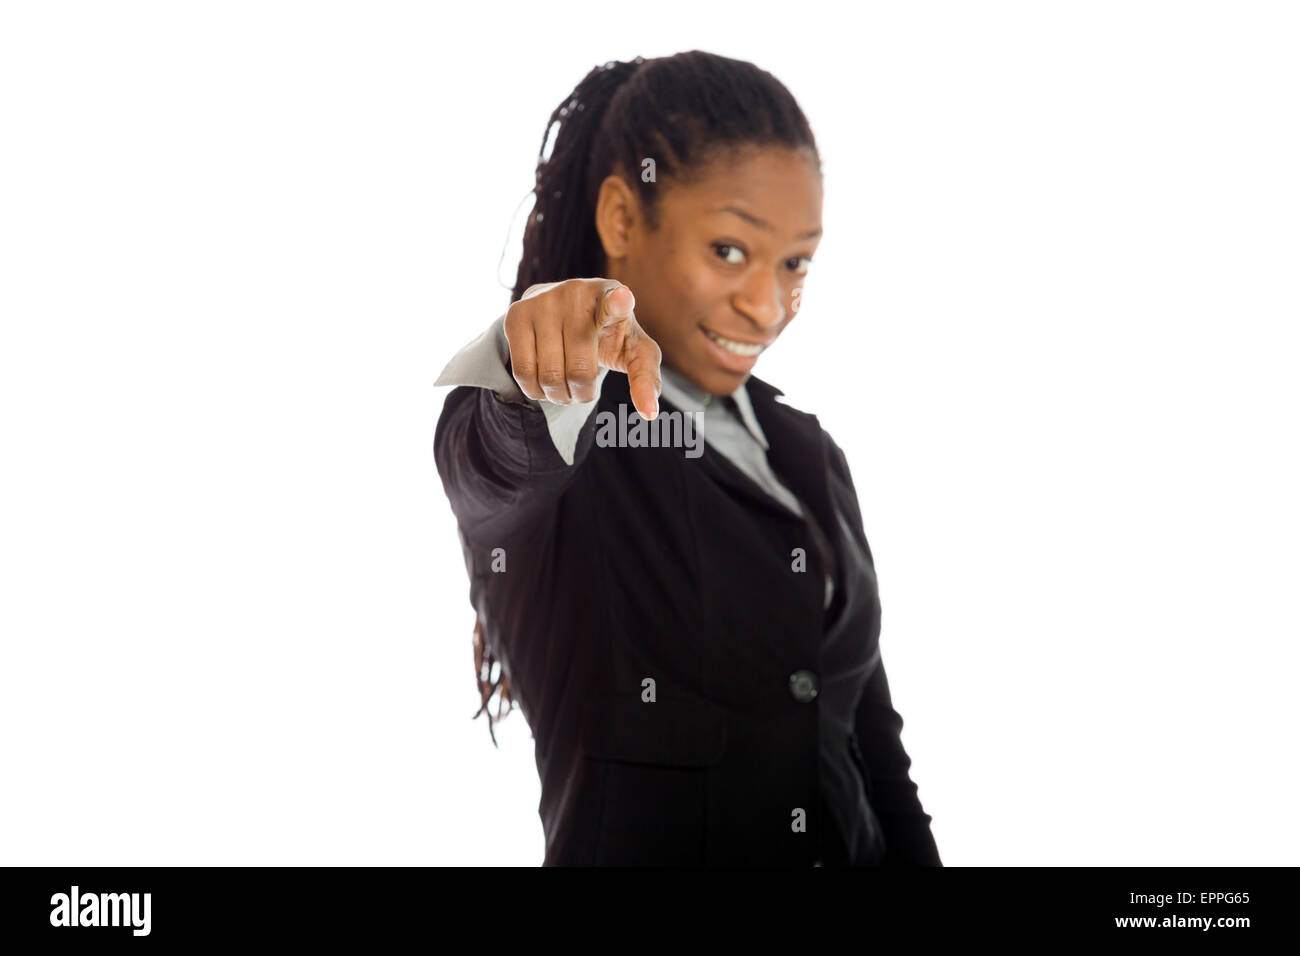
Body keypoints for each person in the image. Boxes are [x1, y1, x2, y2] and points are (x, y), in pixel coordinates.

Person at [433, 51, 941, 866]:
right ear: (623, 220)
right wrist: (535, 363)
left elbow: (874, 756)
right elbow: (493, 464)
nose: (769, 306)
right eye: (731, 251)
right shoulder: (569, 439)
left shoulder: (810, 455)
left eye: (796, 262)